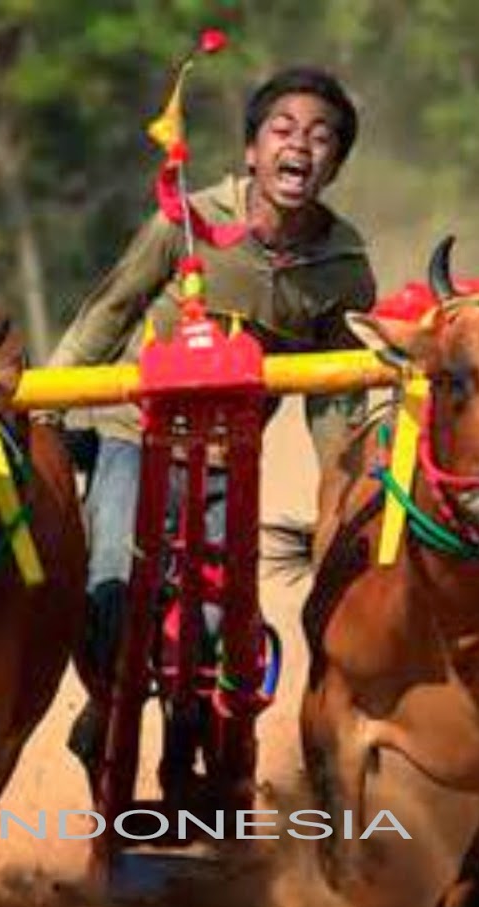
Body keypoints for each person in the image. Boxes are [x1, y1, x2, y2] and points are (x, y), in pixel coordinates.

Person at [40, 67, 377, 793]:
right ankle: (104, 709)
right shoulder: (185, 220)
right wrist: (45, 409)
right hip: (131, 432)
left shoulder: (343, 269)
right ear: (252, 151)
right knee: (112, 585)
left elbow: (338, 398)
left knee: (221, 620)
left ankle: (195, 745)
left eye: (322, 137)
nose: (301, 146)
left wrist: (347, 490)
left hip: (230, 457)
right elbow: (109, 311)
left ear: (336, 165)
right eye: (283, 130)